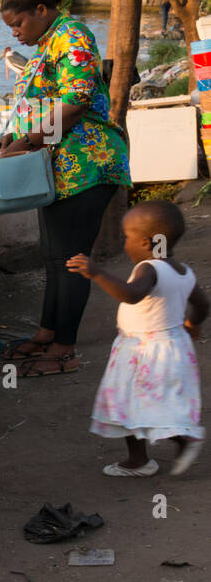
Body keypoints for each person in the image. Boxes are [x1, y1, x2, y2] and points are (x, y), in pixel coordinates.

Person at [0, 0, 132, 377]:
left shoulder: (72, 36)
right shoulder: (47, 44)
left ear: (42, 9)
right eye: (10, 28)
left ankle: (65, 349)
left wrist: (29, 140)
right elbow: (40, 103)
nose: (16, 33)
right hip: (58, 168)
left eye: (18, 23)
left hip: (89, 163)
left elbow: (76, 102)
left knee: (72, 259)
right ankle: (47, 334)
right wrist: (17, 136)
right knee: (54, 257)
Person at [67, 201, 207, 476]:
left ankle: (178, 441)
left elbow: (132, 294)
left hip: (143, 351)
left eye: (127, 236)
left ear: (147, 242)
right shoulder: (184, 271)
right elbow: (203, 304)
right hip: (173, 346)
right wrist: (193, 323)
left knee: (132, 403)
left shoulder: (149, 268)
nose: (124, 242)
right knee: (147, 403)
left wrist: (97, 273)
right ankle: (143, 459)